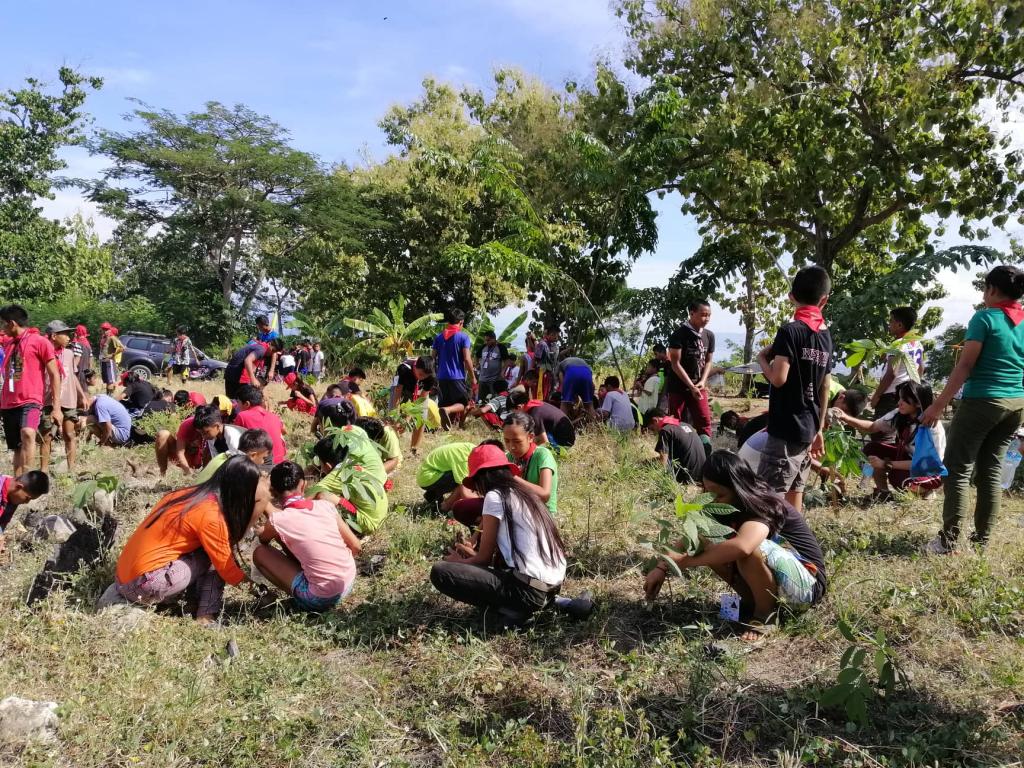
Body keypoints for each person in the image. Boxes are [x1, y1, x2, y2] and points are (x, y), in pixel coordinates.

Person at [644, 451, 826, 639]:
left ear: (738, 489)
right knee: (710, 544)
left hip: (806, 587)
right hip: (780, 587)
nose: (712, 500)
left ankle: (765, 616)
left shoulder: (763, 503)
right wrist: (662, 567)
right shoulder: (721, 505)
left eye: (719, 495)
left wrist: (686, 562)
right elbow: (692, 537)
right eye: (707, 492)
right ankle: (751, 602)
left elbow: (743, 547)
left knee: (747, 551)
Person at [430, 444, 589, 628]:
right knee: (504, 570)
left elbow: (483, 559)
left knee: (441, 572)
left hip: (528, 591)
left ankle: (512, 612)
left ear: (480, 478)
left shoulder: (495, 496)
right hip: (551, 586)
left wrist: (459, 562)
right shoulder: (526, 494)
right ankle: (561, 603)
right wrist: (473, 558)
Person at [921, 265, 1024, 552]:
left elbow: (965, 365)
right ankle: (982, 541)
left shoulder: (985, 318)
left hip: (982, 401)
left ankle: (949, 541)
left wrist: (937, 405)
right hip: (1016, 404)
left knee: (958, 468)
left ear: (992, 289)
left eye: (984, 289)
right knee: (991, 469)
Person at [108, 456, 261, 625]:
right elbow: (227, 569)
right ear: (242, 489)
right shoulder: (211, 515)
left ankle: (192, 603)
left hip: (123, 578)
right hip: (143, 585)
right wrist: (260, 592)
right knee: (216, 558)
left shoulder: (183, 495)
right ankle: (206, 617)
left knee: (210, 551)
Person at [755, 266, 834, 513]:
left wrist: (761, 360)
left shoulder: (789, 331)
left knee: (767, 496)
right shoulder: (825, 336)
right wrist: (819, 428)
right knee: (794, 493)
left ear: (791, 297)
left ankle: (766, 537)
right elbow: (825, 386)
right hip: (808, 427)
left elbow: (778, 379)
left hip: (785, 427)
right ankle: (793, 536)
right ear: (824, 300)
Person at [254, 461, 361, 612]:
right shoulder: (325, 506)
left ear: (274, 492)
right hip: (348, 582)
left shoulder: (278, 521)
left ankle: (299, 599)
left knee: (260, 553)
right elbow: (356, 546)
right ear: (303, 485)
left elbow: (263, 540)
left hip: (321, 597)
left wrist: (262, 502)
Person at [835, 381, 945, 504]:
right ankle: (883, 492)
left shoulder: (930, 426)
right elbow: (872, 427)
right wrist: (844, 417)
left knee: (897, 477)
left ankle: (925, 490)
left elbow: (924, 463)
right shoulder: (900, 415)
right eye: (900, 398)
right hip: (908, 458)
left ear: (918, 402)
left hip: (929, 470)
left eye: (904, 399)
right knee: (872, 448)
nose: (899, 402)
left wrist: (886, 464)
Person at [0, 305, 62, 476]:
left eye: (3, 324)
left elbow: (55, 374)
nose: (2, 329)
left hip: (31, 400)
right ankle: (18, 482)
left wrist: (56, 407)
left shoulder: (40, 342)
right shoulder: (8, 344)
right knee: (16, 447)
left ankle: (29, 480)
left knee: (28, 433)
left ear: (12, 323)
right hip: (8, 402)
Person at [307, 425, 389, 535]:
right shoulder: (351, 464)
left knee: (323, 496)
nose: (320, 468)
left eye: (320, 464)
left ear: (327, 465)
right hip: (380, 515)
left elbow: (309, 496)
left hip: (369, 523)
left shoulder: (339, 474)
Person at [40, 321, 86, 473]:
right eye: (65, 334)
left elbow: (72, 375)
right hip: (48, 399)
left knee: (69, 434)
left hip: (68, 399)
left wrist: (82, 395)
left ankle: (71, 470)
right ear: (54, 336)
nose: (69, 338)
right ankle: (43, 471)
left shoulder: (69, 353)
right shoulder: (42, 353)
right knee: (46, 436)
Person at [665, 299, 715, 437]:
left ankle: (705, 448)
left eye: (709, 315)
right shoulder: (679, 335)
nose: (707, 319)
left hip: (699, 386)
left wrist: (702, 381)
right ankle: (677, 448)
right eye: (703, 315)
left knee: (704, 421)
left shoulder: (709, 335)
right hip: (678, 387)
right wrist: (690, 386)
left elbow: (708, 361)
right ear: (692, 313)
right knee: (676, 422)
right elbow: (675, 364)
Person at [869, 307, 925, 417]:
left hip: (891, 397)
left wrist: (876, 396)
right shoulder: (917, 344)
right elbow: (921, 368)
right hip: (907, 396)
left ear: (899, 325)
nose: (889, 324)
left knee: (883, 427)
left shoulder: (897, 345)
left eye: (891, 321)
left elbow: (891, 374)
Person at [503, 411, 558, 515]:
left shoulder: (542, 455)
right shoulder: (508, 457)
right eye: (507, 441)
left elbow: (544, 495)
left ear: (530, 437)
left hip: (541, 514)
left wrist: (512, 477)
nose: (512, 447)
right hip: (518, 510)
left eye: (517, 441)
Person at [432, 309, 476, 427]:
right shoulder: (463, 337)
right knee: (464, 403)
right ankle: (448, 411)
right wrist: (473, 377)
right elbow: (467, 359)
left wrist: (433, 375)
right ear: (461, 322)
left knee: (445, 403)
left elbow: (432, 358)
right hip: (457, 376)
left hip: (441, 377)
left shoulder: (439, 337)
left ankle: (448, 426)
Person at [194, 427, 275, 483]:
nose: (263, 462)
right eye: (263, 458)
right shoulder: (239, 471)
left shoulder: (225, 457)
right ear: (253, 455)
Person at [647, 408, 705, 484]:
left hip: (687, 479)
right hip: (702, 475)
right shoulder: (685, 425)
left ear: (655, 420)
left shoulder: (665, 430)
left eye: (652, 428)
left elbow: (662, 463)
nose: (654, 432)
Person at [233, 384, 287, 465]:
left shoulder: (242, 416)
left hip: (262, 464)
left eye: (238, 402)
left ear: (247, 404)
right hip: (280, 462)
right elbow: (284, 431)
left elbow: (234, 442)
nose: (237, 405)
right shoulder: (274, 416)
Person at [415, 441, 475, 512]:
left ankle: (433, 494)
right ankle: (444, 507)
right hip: (428, 477)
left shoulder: (471, 448)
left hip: (426, 476)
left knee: (468, 477)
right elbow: (465, 492)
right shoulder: (464, 458)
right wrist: (482, 503)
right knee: (466, 481)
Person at [508, 388, 576, 449]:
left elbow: (544, 442)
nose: (514, 415)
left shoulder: (534, 415)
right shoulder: (534, 403)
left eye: (513, 412)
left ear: (519, 407)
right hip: (568, 435)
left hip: (565, 444)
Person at [0, 470, 50, 553]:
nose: (26, 502)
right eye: (27, 498)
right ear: (19, 487)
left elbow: (2, 521)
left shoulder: (13, 497)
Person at [558, 356, 599, 421]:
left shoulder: (560, 365)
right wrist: (589, 398)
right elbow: (592, 385)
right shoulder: (582, 362)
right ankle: (593, 425)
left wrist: (567, 396)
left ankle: (561, 425)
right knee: (589, 406)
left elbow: (562, 383)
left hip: (572, 372)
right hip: (587, 372)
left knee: (565, 404)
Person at [477, 331, 505, 402]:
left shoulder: (501, 347)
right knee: (481, 400)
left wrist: (503, 371)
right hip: (482, 379)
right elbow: (476, 356)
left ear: (494, 339)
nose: (486, 342)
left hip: (494, 380)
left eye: (488, 340)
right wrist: (477, 364)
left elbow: (507, 360)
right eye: (485, 340)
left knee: (493, 400)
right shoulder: (483, 347)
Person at [533, 327, 560, 401]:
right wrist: (532, 370)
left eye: (557, 335)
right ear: (548, 335)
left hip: (548, 373)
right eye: (554, 335)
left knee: (546, 393)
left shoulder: (552, 345)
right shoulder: (542, 344)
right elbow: (535, 358)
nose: (556, 337)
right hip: (541, 372)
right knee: (540, 393)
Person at [98, 323, 124, 395]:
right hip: (103, 360)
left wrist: (113, 354)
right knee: (107, 381)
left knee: (111, 381)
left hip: (110, 362)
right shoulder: (103, 338)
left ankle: (110, 397)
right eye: (103, 329)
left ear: (109, 330)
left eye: (106, 329)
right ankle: (107, 395)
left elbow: (122, 348)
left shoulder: (112, 338)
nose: (104, 331)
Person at [71, 324, 92, 390]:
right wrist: (90, 371)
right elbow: (91, 359)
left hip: (79, 371)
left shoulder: (78, 344)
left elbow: (77, 358)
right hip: (86, 371)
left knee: (79, 390)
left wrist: (72, 370)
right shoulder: (88, 344)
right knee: (85, 390)